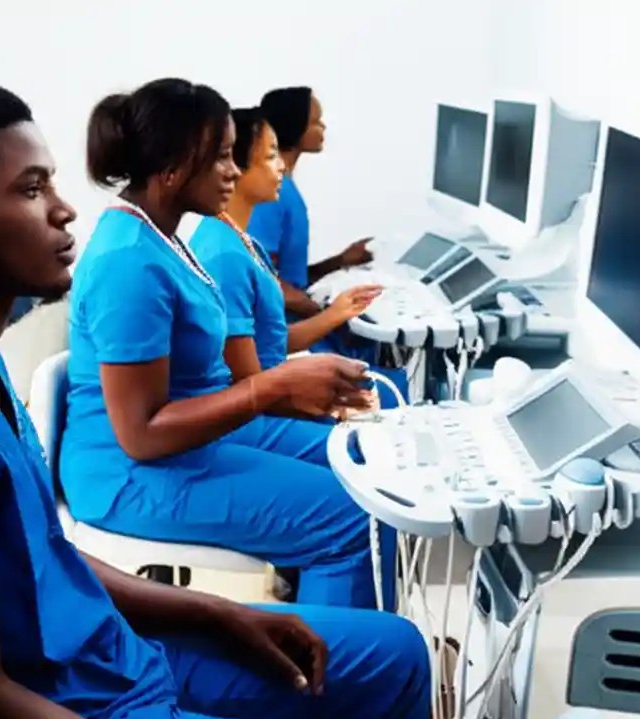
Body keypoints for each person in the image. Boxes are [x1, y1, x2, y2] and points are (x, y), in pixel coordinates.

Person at [0, 79, 429, 719]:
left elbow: (50, 555)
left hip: (112, 648)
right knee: (347, 533)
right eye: (32, 189)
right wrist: (269, 390)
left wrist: (218, 611)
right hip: (84, 690)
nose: (65, 211)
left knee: (398, 651)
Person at [64, 78, 396, 610]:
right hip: (128, 476)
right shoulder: (128, 261)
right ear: (173, 167)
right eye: (221, 157)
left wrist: (294, 391)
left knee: (366, 471)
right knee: (356, 520)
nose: (235, 171)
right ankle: (343, 674)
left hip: (185, 447)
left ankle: (334, 630)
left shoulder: (164, 238)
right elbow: (141, 436)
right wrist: (273, 388)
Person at [190, 107, 382, 380]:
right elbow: (247, 386)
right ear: (234, 167)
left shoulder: (239, 240)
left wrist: (339, 311)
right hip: (259, 413)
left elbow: (268, 343)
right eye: (270, 156)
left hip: (268, 393)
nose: (281, 165)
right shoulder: (224, 255)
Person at [249, 88, 372, 333]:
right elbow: (264, 281)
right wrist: (326, 315)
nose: (323, 128)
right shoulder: (273, 192)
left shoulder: (285, 187)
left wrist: (340, 261)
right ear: (294, 128)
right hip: (277, 333)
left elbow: (288, 277)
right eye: (316, 122)